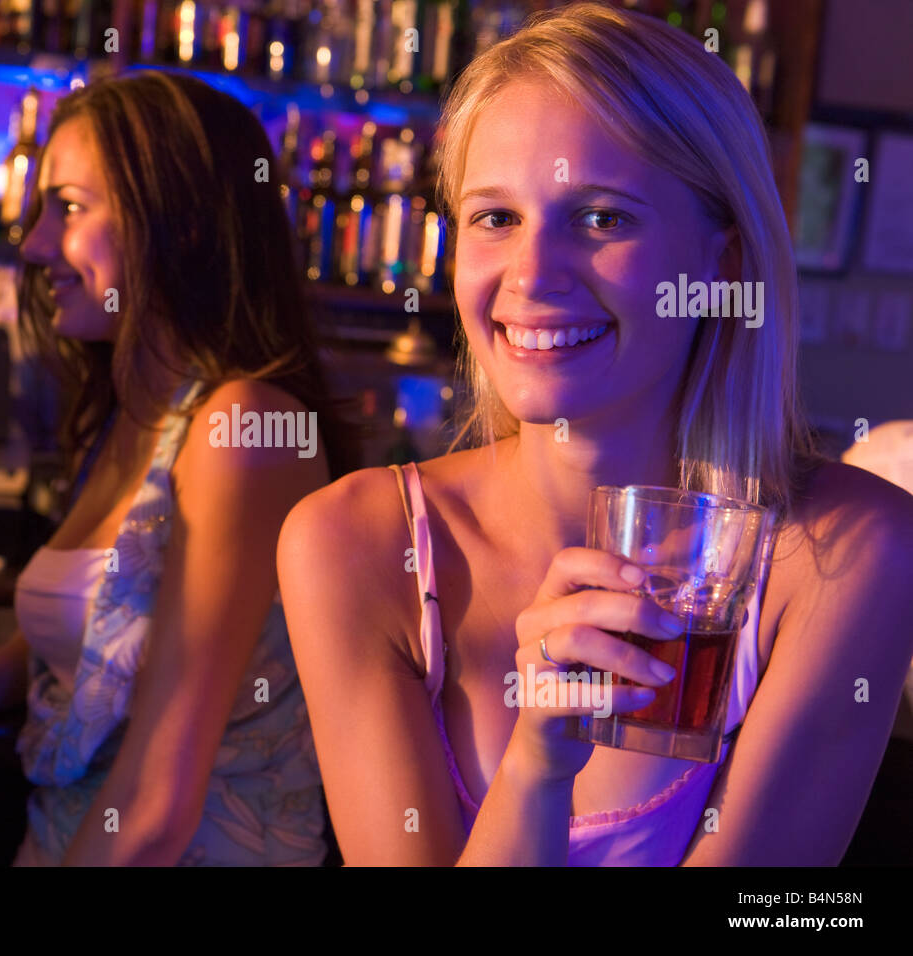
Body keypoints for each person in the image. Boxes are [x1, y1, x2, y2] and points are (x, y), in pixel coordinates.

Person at [277, 2, 913, 866]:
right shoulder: (353, 544)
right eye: (495, 218)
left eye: (603, 218)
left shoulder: (845, 551)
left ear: (720, 263)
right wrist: (540, 763)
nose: (532, 276)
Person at [0, 70, 358, 865]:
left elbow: (158, 803)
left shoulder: (246, 427)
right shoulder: (133, 417)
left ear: (184, 223)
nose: (30, 246)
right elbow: (124, 629)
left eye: (67, 207)